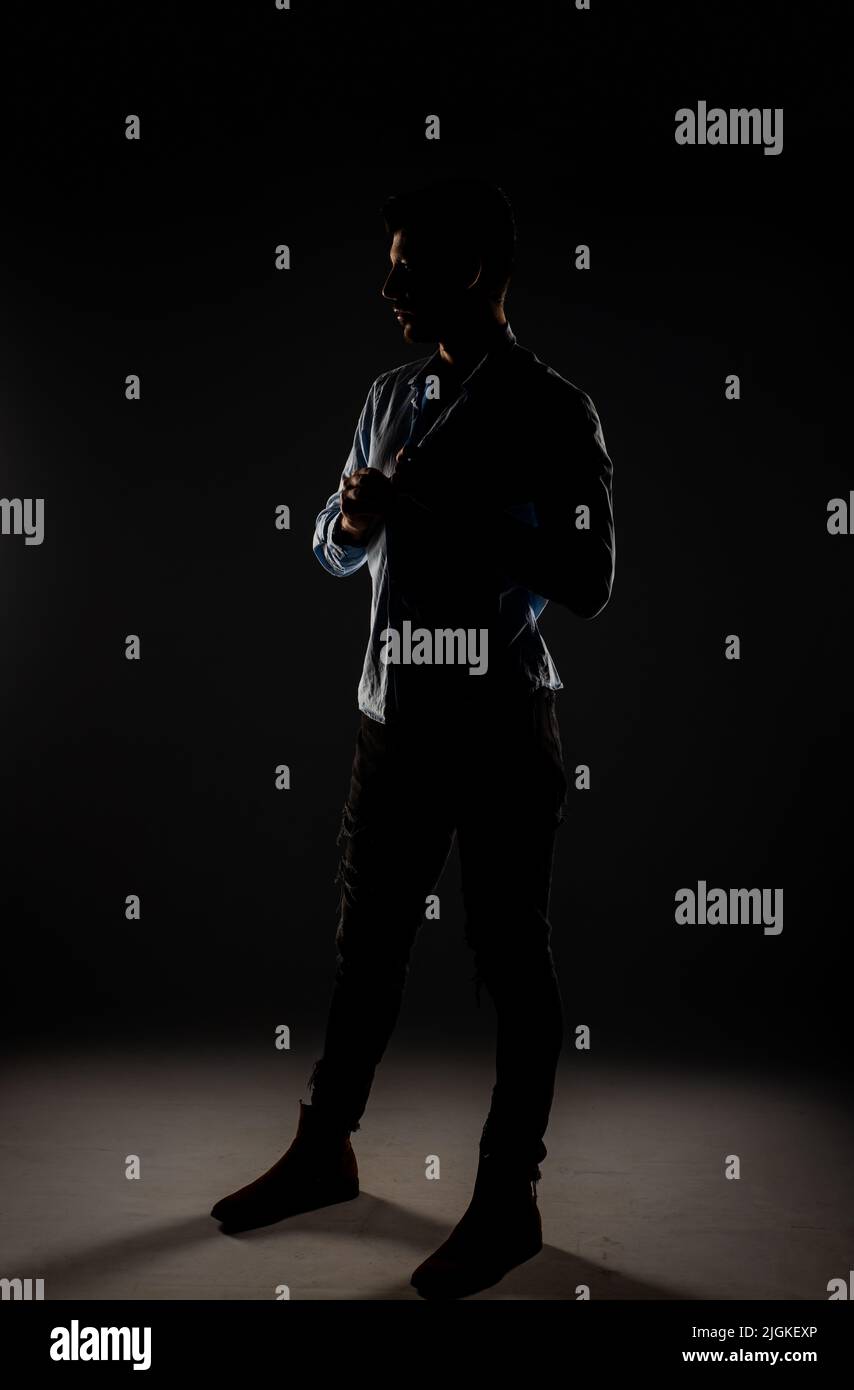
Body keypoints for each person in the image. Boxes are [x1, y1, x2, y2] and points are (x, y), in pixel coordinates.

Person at [211, 177, 615, 1300]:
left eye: (409, 265)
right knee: (365, 951)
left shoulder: (551, 410)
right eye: (387, 262)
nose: (388, 283)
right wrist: (351, 519)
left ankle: (507, 1200)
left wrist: (444, 513)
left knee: (510, 964)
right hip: (391, 724)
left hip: (495, 727)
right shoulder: (388, 395)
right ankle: (324, 1150)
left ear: (478, 274)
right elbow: (333, 552)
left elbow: (590, 579)